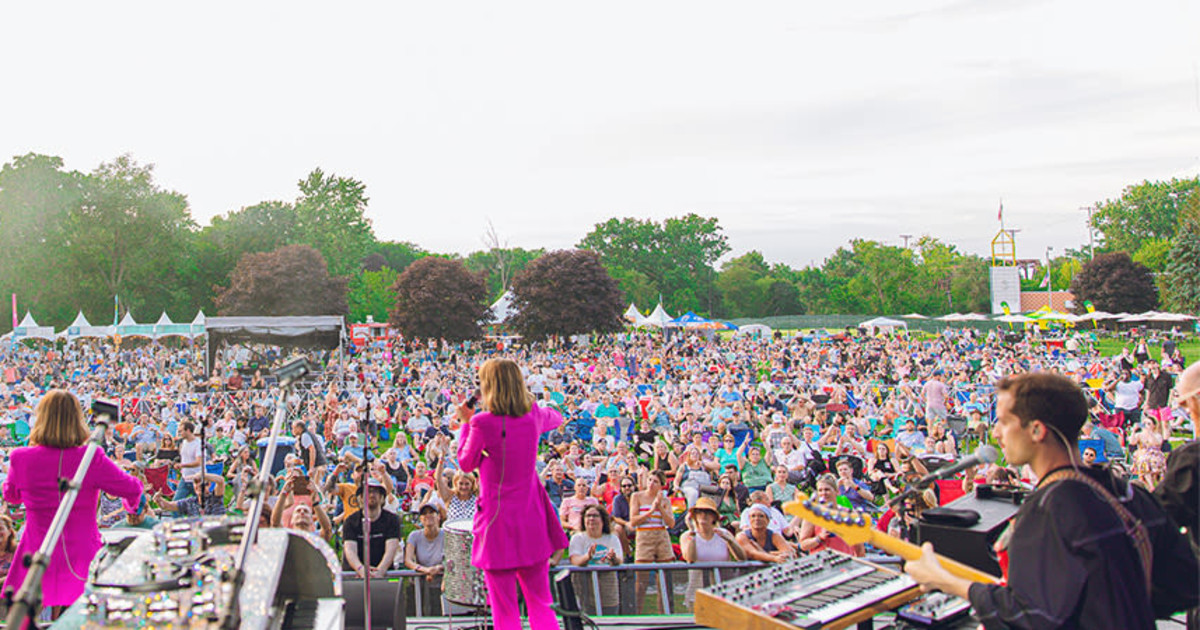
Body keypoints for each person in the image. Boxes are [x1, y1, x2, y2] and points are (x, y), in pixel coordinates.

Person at [905, 372, 1199, 629]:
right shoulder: (1126, 492)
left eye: (1005, 422)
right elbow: (1184, 583)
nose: (995, 432)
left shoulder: (1049, 509)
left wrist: (945, 580)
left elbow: (1030, 617)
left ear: (1036, 430)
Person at [1, 390, 143, 613]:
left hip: (36, 557)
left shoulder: (20, 457)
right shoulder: (90, 458)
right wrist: (131, 508)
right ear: (78, 420)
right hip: (81, 560)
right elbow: (133, 488)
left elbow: (11, 496)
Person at [456, 358, 567, 630]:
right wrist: (529, 400)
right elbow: (557, 417)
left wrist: (464, 423)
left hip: (497, 523)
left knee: (504, 610)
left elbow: (465, 463)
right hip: (531, 519)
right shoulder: (534, 416)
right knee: (541, 603)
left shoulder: (482, 422)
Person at [681, 497, 745, 610]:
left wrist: (730, 541)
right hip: (698, 591)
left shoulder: (724, 534)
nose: (703, 515)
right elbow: (690, 559)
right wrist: (693, 533)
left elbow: (741, 558)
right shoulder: (687, 536)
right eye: (699, 512)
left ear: (714, 517)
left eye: (708, 513)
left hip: (724, 591)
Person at [567, 504, 623, 615]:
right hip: (584, 586)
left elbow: (620, 560)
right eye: (588, 516)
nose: (591, 519)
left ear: (603, 520)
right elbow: (575, 560)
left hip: (607, 586)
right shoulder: (578, 538)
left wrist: (613, 559)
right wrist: (588, 557)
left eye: (595, 516)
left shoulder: (612, 538)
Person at [342, 478, 401, 579]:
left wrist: (380, 570)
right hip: (355, 576)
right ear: (361, 497)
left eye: (375, 492)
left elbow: (391, 548)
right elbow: (350, 549)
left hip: (383, 576)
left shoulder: (392, 520)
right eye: (367, 491)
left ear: (382, 497)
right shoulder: (350, 521)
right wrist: (361, 570)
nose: (371, 495)